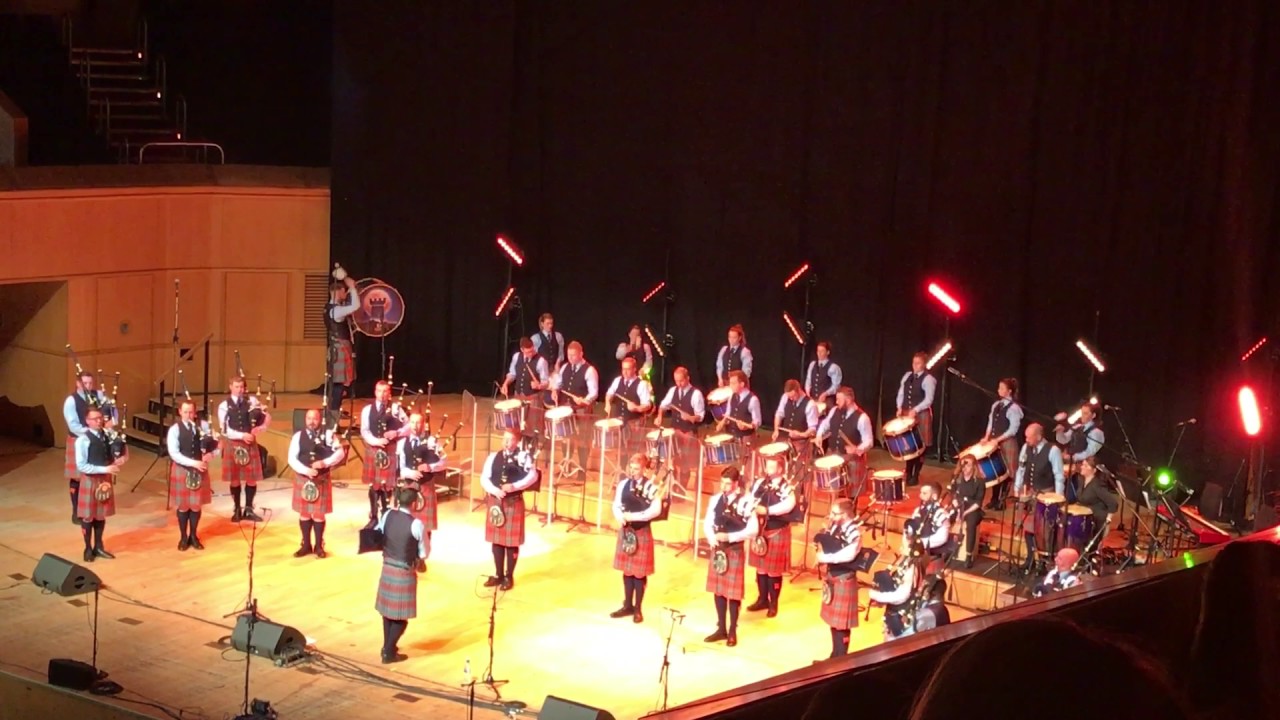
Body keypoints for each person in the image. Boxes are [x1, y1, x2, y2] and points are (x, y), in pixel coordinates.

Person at [374, 486, 429, 665]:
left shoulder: (388, 515)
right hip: (404, 572)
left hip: (387, 567)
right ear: (414, 504)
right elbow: (424, 552)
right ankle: (388, 652)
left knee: (388, 614)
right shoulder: (417, 524)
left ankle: (387, 648)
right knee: (401, 620)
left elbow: (378, 532)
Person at [703, 467, 758, 647]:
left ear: (736, 484)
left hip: (734, 550)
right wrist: (711, 538)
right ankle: (721, 629)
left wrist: (730, 537)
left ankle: (732, 630)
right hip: (718, 549)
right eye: (722, 482)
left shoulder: (746, 501)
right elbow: (708, 522)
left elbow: (753, 529)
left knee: (733, 594)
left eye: (728, 484)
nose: (724, 487)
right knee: (718, 590)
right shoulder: (715, 499)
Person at [480, 430, 539, 590]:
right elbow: (484, 477)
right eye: (504, 439)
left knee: (511, 543)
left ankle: (509, 576)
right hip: (496, 502)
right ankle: (498, 575)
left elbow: (533, 476)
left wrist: (514, 486)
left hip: (513, 502)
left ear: (517, 441)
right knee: (497, 541)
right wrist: (494, 490)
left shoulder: (524, 457)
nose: (506, 442)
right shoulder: (493, 457)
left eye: (510, 439)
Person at [609, 454, 663, 623]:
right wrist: (620, 516)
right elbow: (616, 504)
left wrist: (634, 517)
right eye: (631, 468)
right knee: (627, 570)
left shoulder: (651, 487)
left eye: (636, 469)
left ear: (644, 469)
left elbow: (655, 511)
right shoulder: (623, 484)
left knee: (639, 573)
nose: (633, 471)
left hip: (641, 532)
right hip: (626, 532)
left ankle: (638, 608)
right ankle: (627, 605)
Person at [287, 408, 346, 558]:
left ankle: (319, 546)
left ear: (320, 420)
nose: (312, 421)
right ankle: (306, 545)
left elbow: (340, 453)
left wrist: (325, 463)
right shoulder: (298, 436)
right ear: (305, 420)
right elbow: (292, 459)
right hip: (303, 478)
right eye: (309, 418)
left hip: (321, 478)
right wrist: (306, 470)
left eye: (315, 418)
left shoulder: (328, 434)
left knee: (319, 514)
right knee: (304, 513)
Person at [746, 457, 798, 617]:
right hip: (760, 529)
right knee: (761, 567)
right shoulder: (759, 483)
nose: (767, 469)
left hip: (777, 530)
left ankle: (773, 603)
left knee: (773, 571)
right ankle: (762, 599)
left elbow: (788, 505)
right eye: (767, 466)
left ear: (780, 469)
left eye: (771, 466)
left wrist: (767, 510)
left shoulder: (786, 487)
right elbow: (750, 498)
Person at [74, 408, 125, 562]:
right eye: (95, 419)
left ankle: (98, 546)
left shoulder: (108, 435)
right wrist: (105, 469)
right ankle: (87, 548)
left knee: (100, 514)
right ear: (87, 421)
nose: (98, 421)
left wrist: (121, 459)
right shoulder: (83, 440)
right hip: (90, 480)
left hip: (104, 480)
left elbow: (120, 451)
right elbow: (81, 465)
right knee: (88, 516)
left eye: (100, 418)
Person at [217, 376, 271, 522]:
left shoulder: (252, 401)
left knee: (251, 479)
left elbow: (264, 419)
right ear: (230, 387)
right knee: (235, 480)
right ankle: (237, 509)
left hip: (250, 443)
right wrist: (242, 435)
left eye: (241, 387)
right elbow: (224, 429)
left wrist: (260, 426)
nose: (240, 390)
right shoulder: (224, 406)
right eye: (236, 387)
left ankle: (249, 509)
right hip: (233, 444)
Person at [63, 370, 113, 525]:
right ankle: (76, 511)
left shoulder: (99, 395)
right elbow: (73, 425)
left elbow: (111, 410)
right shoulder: (71, 401)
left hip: (97, 439)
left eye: (90, 383)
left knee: (95, 477)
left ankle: (93, 509)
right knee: (77, 477)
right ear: (78, 383)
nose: (88, 386)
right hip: (78, 439)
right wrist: (90, 433)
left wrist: (111, 422)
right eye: (85, 383)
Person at [814, 498, 862, 657]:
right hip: (833, 577)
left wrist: (824, 558)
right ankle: (835, 655)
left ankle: (841, 658)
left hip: (844, 579)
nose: (831, 516)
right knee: (833, 622)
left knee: (841, 625)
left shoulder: (854, 532)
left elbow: (848, 555)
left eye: (835, 513)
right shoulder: (835, 526)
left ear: (845, 514)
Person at [1013, 422, 1066, 564]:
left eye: (1029, 437)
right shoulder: (1026, 448)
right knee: (1027, 526)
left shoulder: (1053, 450)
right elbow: (1021, 469)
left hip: (1045, 494)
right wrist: (1017, 488)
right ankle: (1030, 558)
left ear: (1038, 436)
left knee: (1042, 529)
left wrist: (1058, 498)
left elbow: (1059, 475)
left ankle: (1044, 560)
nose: (1026, 440)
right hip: (1028, 491)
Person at [360, 380, 410, 526]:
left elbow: (408, 426)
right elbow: (364, 430)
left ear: (389, 393)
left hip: (391, 450)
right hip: (374, 450)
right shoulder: (367, 410)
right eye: (379, 391)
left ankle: (385, 517)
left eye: (385, 391)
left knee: (387, 486)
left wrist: (397, 432)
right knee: (374, 486)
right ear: (375, 392)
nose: (382, 394)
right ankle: (373, 517)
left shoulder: (396, 409)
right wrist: (376, 441)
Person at [167, 400, 214, 551]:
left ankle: (193, 536)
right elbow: (174, 453)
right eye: (185, 412)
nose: (188, 415)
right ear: (180, 412)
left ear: (195, 413)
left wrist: (211, 455)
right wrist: (194, 463)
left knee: (195, 505)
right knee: (183, 506)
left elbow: (216, 444)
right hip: (182, 469)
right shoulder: (175, 430)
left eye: (191, 412)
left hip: (200, 469)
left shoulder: (203, 426)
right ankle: (183, 537)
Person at [550, 340, 599, 473]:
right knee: (566, 438)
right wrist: (554, 390)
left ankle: (582, 471)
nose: (570, 358)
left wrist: (584, 401)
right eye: (569, 355)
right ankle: (566, 466)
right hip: (566, 409)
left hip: (581, 410)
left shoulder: (589, 370)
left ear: (581, 354)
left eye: (573, 355)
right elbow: (558, 383)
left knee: (582, 440)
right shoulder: (565, 367)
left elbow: (593, 393)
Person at [814, 386, 873, 495]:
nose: (836, 402)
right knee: (833, 491)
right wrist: (819, 435)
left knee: (850, 496)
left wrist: (857, 449)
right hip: (833, 455)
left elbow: (869, 441)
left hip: (850, 460)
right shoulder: (834, 410)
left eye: (839, 400)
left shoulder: (862, 418)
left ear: (848, 400)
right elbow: (825, 424)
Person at [398, 412, 447, 541]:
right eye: (412, 422)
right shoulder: (402, 443)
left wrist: (430, 467)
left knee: (425, 528)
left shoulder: (432, 442)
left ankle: (424, 552)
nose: (415, 425)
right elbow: (401, 468)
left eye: (418, 422)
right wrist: (410, 473)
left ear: (424, 424)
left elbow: (444, 462)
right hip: (409, 487)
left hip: (426, 487)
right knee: (408, 525)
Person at [655, 366, 705, 488]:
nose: (679, 384)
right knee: (673, 458)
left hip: (688, 432)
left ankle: (682, 486)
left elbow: (700, 416)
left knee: (685, 462)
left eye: (681, 381)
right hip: (675, 431)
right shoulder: (673, 390)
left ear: (688, 378)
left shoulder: (696, 394)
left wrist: (690, 417)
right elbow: (663, 405)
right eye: (676, 381)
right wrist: (659, 416)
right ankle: (673, 485)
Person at [896, 352, 937, 486]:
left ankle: (916, 474)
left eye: (918, 363)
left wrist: (915, 409)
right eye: (914, 362)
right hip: (906, 413)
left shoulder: (928, 379)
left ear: (924, 364)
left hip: (921, 414)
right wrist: (899, 407)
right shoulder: (907, 376)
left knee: (920, 446)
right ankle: (908, 472)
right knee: (909, 444)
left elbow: (929, 399)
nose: (915, 365)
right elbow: (901, 393)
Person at [982, 378, 1023, 510]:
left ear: (1009, 391)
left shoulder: (1014, 408)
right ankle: (994, 499)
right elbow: (990, 423)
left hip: (1007, 443)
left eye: (1002, 388)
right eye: (999, 387)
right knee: (996, 472)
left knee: (1008, 472)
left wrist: (998, 439)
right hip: (995, 442)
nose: (998, 390)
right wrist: (986, 437)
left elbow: (1013, 429)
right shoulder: (996, 405)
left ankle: (1002, 500)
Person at [501, 337, 550, 438]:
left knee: (532, 428)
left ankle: (531, 445)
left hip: (533, 398)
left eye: (532, 351)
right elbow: (512, 374)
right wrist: (505, 384)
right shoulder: (516, 357)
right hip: (518, 396)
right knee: (516, 425)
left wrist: (539, 385)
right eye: (528, 352)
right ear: (522, 350)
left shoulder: (541, 361)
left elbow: (546, 382)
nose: (530, 354)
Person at [604, 356, 653, 456]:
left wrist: (636, 408)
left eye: (628, 369)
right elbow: (609, 394)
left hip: (633, 424)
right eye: (623, 369)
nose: (625, 372)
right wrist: (607, 403)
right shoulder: (617, 380)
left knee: (632, 452)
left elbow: (647, 405)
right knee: (620, 451)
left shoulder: (641, 384)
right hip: (619, 422)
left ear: (634, 369)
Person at [326, 274, 360, 413]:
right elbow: (355, 306)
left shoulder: (330, 308)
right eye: (344, 291)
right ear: (338, 291)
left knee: (339, 382)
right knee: (339, 382)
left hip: (337, 347)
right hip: (340, 348)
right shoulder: (337, 311)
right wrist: (352, 287)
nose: (345, 294)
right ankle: (333, 412)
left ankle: (334, 410)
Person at [950, 454, 985, 568]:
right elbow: (953, 493)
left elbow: (978, 502)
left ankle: (968, 555)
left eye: (968, 465)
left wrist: (964, 513)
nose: (965, 468)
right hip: (959, 506)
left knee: (971, 524)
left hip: (972, 509)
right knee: (947, 518)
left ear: (974, 467)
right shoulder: (957, 479)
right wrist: (956, 506)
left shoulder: (979, 482)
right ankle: (948, 549)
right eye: (963, 465)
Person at [772, 378, 819, 463]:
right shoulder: (785, 397)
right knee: (776, 463)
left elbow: (812, 430)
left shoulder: (810, 405)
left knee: (797, 467)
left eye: (793, 396)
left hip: (801, 443)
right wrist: (776, 430)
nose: (791, 399)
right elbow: (779, 414)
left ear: (799, 390)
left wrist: (800, 434)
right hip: (785, 439)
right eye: (789, 397)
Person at [904, 481, 953, 556]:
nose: (920, 496)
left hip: (928, 549)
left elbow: (942, 538)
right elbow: (910, 529)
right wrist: (908, 539)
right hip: (914, 547)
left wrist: (919, 543)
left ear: (934, 496)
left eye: (924, 493)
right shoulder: (918, 510)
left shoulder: (941, 514)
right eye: (921, 493)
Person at [718, 369, 761, 446]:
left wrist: (746, 427)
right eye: (730, 383)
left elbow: (757, 422)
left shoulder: (753, 400)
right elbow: (728, 413)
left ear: (742, 384)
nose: (730, 386)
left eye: (733, 383)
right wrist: (722, 422)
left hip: (746, 438)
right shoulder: (731, 397)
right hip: (732, 437)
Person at [804, 341, 842, 413]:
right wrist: (807, 391)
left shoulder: (833, 367)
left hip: (827, 400)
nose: (819, 353)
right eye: (818, 351)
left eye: (822, 351)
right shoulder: (812, 364)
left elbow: (836, 386)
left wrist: (826, 393)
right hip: (813, 399)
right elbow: (808, 380)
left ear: (827, 352)